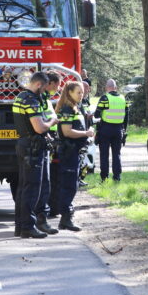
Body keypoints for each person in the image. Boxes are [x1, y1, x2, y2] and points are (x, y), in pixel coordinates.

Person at [13, 71, 58, 238]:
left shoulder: (20, 97)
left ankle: (20, 226)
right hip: (33, 148)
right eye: (44, 88)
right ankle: (28, 227)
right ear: (38, 84)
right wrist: (52, 121)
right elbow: (39, 128)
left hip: (24, 144)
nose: (45, 91)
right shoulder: (31, 101)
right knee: (32, 189)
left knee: (23, 187)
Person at [54, 81, 95, 231]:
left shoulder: (76, 107)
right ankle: (66, 218)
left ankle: (66, 219)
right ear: (69, 92)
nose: (81, 95)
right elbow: (67, 132)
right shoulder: (67, 109)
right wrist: (86, 133)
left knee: (72, 185)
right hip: (68, 152)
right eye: (78, 92)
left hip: (75, 151)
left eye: (82, 92)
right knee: (69, 186)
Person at [39, 71, 63, 227]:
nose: (58, 88)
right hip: (46, 138)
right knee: (45, 181)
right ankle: (42, 217)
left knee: (48, 180)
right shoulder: (41, 99)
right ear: (51, 83)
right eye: (58, 85)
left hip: (50, 139)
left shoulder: (46, 99)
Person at [95, 78, 129, 181]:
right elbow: (126, 117)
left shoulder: (105, 98)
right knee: (116, 154)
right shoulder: (123, 99)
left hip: (105, 129)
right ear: (116, 88)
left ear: (106, 88)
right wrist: (124, 130)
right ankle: (117, 177)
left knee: (104, 154)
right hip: (118, 129)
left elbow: (97, 114)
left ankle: (104, 177)